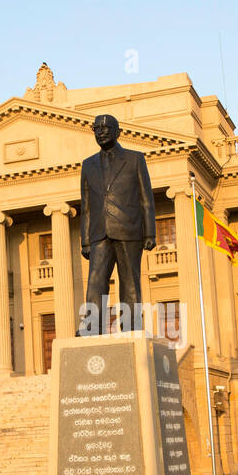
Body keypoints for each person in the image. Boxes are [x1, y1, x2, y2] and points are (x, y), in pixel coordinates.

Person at [79, 114, 155, 334]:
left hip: (128, 228)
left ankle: (131, 325)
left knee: (130, 280)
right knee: (95, 280)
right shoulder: (88, 164)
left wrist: (149, 232)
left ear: (118, 132)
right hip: (98, 233)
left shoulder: (134, 159)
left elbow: (146, 198)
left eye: (106, 128)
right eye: (96, 128)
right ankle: (92, 326)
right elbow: (86, 207)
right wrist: (85, 240)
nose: (101, 132)